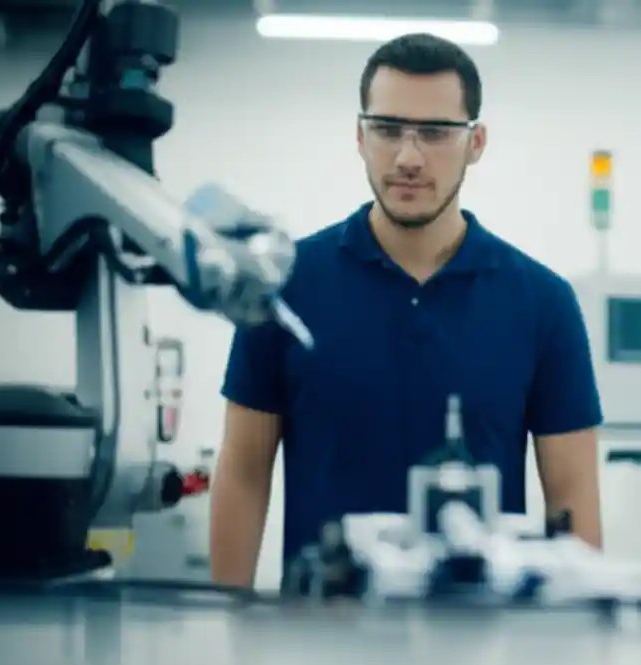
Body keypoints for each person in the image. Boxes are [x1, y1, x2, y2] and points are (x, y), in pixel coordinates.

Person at [209, 33, 604, 587]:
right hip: (319, 641)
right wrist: (230, 622)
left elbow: (573, 494)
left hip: (484, 645)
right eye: (388, 129)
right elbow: (244, 474)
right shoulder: (284, 285)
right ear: (359, 135)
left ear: (476, 142)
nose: (408, 157)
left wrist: (579, 635)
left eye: (436, 133)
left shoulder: (542, 302)